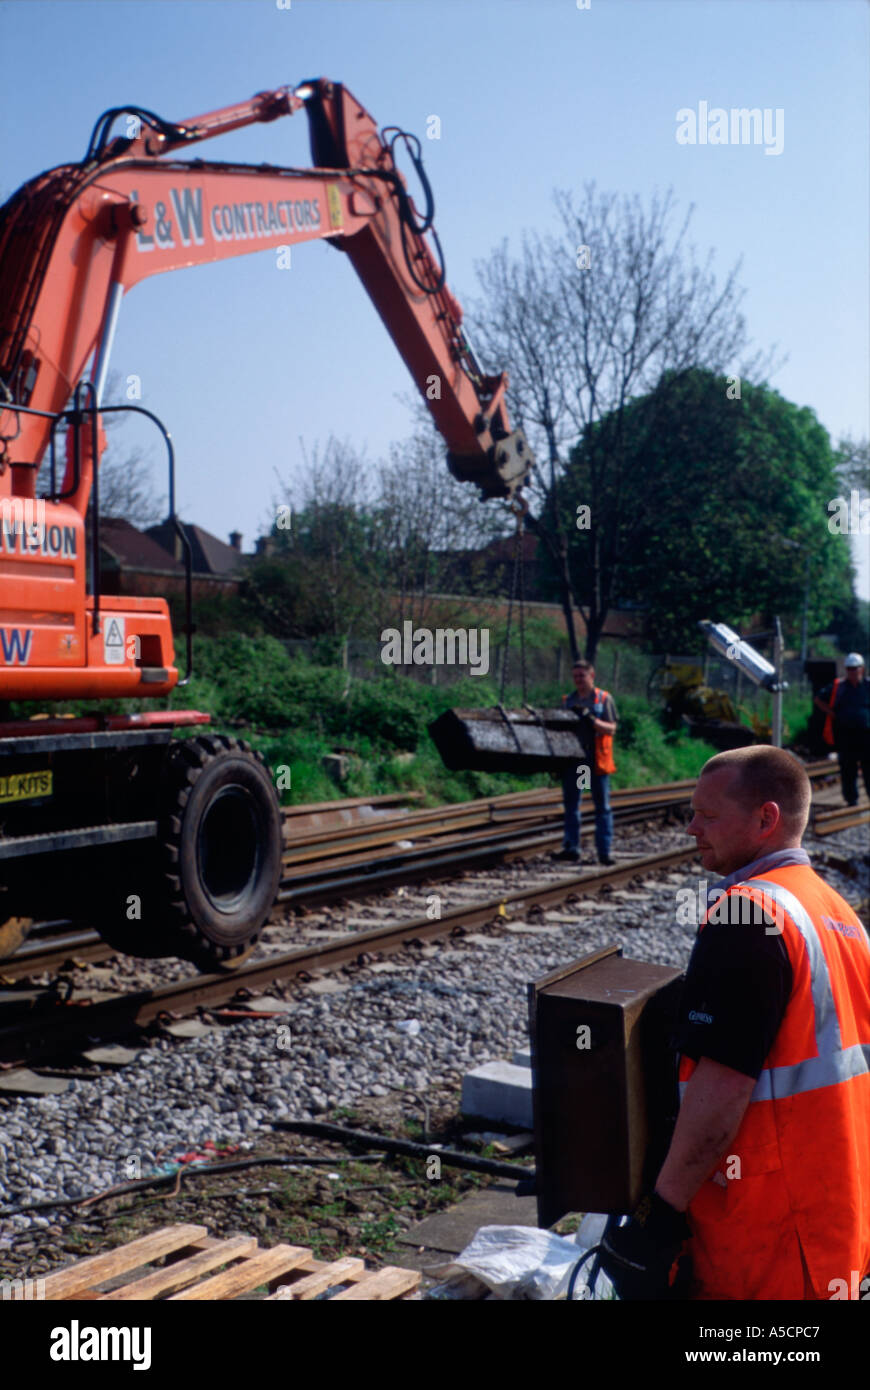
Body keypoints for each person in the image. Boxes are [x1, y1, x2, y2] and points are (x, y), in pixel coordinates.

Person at [598, 745, 870, 1301]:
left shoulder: (749, 917)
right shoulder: (836, 912)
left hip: (770, 1229)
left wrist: (660, 1214)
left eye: (708, 815)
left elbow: (721, 1089)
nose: (692, 828)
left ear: (766, 819)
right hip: (835, 1215)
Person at [552, 659, 618, 866]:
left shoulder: (603, 699)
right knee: (573, 805)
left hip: (597, 761)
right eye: (575, 676)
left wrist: (592, 720)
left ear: (592, 676)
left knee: (602, 807)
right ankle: (572, 848)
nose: (579, 680)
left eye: (582, 675)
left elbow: (611, 729)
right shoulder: (568, 701)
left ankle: (604, 852)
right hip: (578, 763)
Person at [814, 653, 870, 806]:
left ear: (862, 669)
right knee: (848, 768)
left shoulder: (867, 685)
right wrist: (832, 713)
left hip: (866, 736)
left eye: (855, 668)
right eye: (849, 668)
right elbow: (818, 698)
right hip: (846, 736)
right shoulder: (839, 686)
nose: (852, 671)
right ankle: (851, 800)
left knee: (868, 767)